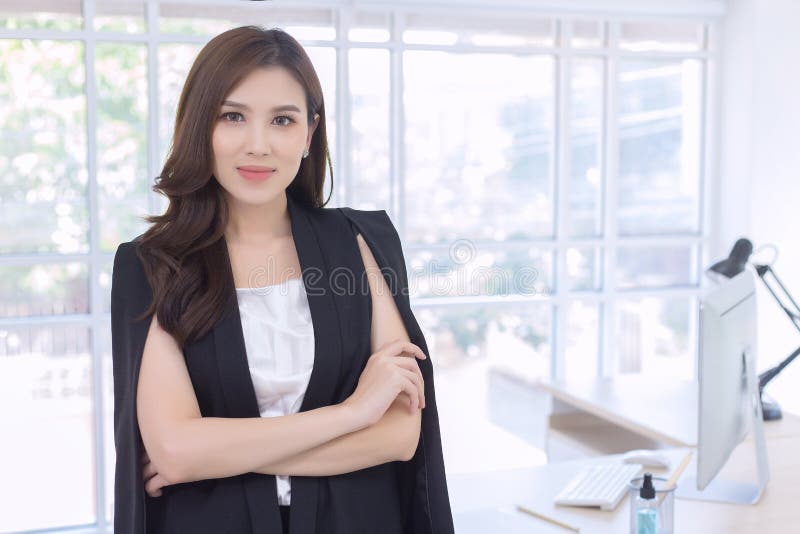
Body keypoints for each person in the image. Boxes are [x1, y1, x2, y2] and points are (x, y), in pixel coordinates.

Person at [110, 25, 454, 534]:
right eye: (233, 116)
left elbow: (402, 436)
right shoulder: (153, 265)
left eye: (282, 120)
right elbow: (178, 452)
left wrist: (217, 457)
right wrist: (354, 413)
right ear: (199, 125)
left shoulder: (360, 242)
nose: (258, 145)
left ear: (309, 133)